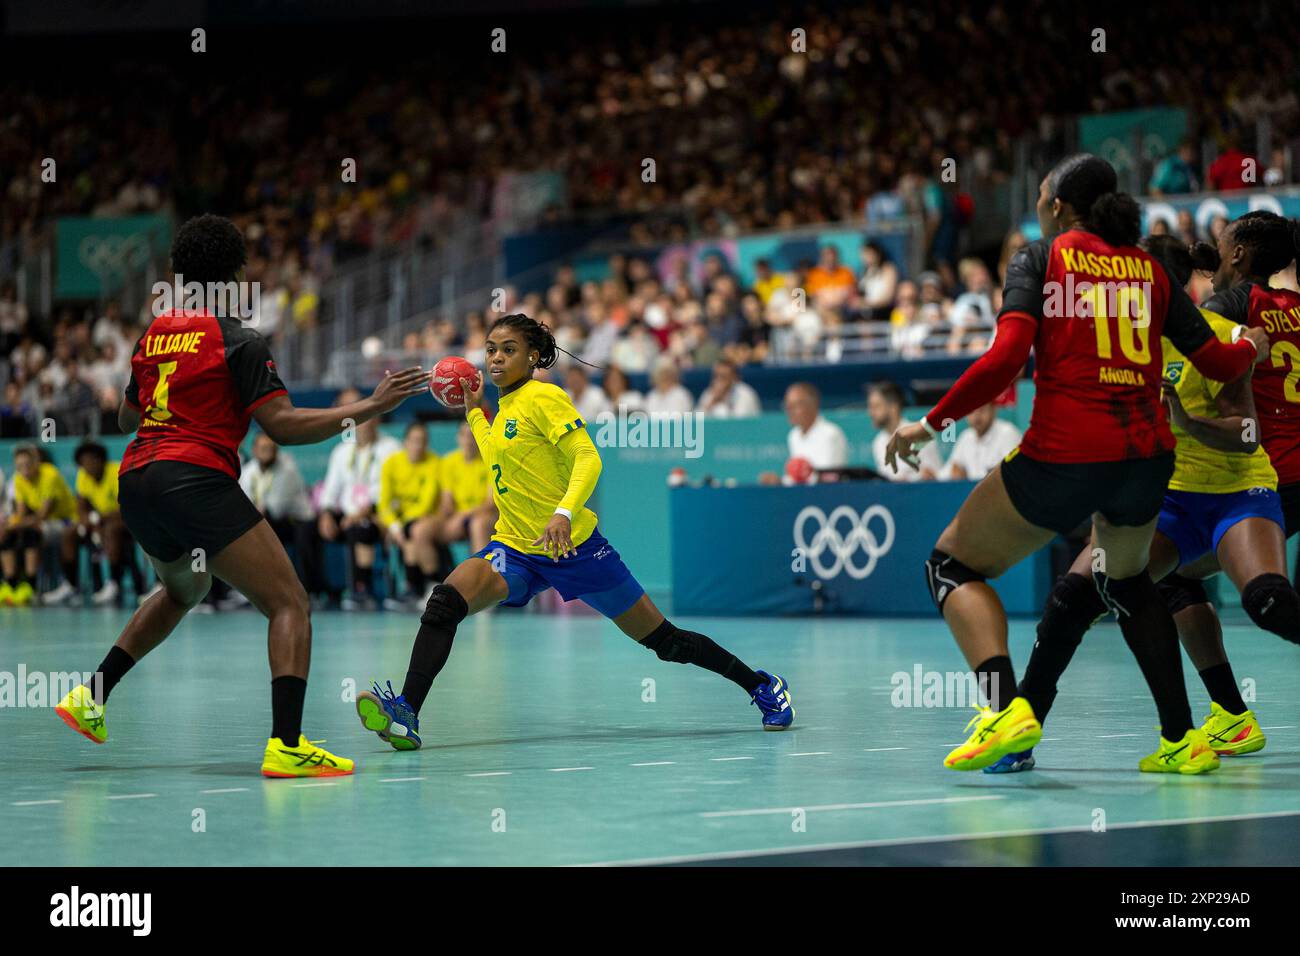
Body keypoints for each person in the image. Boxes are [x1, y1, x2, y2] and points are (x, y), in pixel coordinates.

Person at [886, 154, 1266, 775]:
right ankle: (1183, 739)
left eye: (1039, 192)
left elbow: (1008, 358)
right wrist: (1247, 346)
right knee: (1129, 581)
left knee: (951, 567)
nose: (1037, 202)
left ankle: (1005, 711)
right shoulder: (1150, 269)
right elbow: (1220, 365)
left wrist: (929, 425)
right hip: (1145, 462)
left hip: (1063, 454)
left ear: (1058, 205)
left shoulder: (1040, 258)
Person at [52, 213, 429, 778]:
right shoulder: (239, 340)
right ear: (235, 273)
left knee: (184, 589)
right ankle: (287, 745)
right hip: (194, 478)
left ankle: (90, 695)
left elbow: (129, 416)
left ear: (178, 274)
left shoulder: (153, 335)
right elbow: (283, 426)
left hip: (136, 482)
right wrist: (370, 408)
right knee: (288, 602)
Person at [353, 313, 794, 752]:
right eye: (491, 349)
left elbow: (589, 458)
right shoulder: (504, 407)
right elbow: (499, 461)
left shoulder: (545, 398)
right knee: (445, 602)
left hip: (575, 549)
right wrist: (475, 416)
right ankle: (406, 712)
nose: (497, 358)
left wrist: (564, 512)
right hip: (517, 549)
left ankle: (761, 684)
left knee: (667, 642)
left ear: (532, 356)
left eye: (509, 350)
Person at [994, 232, 1299, 773]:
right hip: (1171, 506)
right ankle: (1020, 735)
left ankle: (1205, 724)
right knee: (1072, 596)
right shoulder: (1115, 345)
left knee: (1269, 601)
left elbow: (1249, 432)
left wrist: (1189, 422)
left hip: (1238, 494)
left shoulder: (1220, 334)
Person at [317, 388, 401, 610]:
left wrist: (363, 512)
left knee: (361, 528)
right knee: (308, 529)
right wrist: (326, 513)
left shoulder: (391, 448)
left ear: (377, 421)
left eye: (369, 420)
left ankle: (362, 590)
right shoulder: (342, 451)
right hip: (346, 513)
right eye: (360, 421)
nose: (364, 425)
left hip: (375, 513)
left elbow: (390, 490)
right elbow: (331, 489)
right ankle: (317, 591)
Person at [44, 441, 143, 607]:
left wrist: (97, 520)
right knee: (69, 533)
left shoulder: (117, 471)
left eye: (91, 461)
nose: (87, 466)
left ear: (101, 460)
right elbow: (81, 507)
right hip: (102, 521)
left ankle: (113, 583)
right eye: (83, 463)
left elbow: (126, 507)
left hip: (128, 519)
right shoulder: (83, 476)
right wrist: (88, 521)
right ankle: (71, 585)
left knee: (111, 530)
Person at [238, 433, 324, 600]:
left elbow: (275, 508)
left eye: (271, 449)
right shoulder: (248, 472)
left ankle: (308, 591)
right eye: (263, 449)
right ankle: (251, 590)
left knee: (302, 535)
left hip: (296, 521)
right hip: (267, 520)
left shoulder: (287, 469)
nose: (267, 452)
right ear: (254, 450)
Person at [378, 421, 445, 610]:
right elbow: (384, 502)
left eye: (423, 441)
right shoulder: (391, 463)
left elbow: (426, 503)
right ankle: (417, 587)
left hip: (426, 517)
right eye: (414, 441)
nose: (419, 446)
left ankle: (419, 586)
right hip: (399, 520)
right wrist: (394, 526)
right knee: (406, 533)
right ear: (405, 442)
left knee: (412, 531)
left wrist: (402, 525)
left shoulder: (434, 463)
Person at [1, 444, 76, 606]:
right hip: (40, 522)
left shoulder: (50, 474)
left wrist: (15, 525)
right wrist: (9, 527)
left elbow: (43, 515)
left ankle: (31, 586)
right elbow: (20, 514)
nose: (24, 469)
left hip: (65, 521)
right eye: (19, 466)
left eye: (28, 464)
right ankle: (11, 584)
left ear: (37, 462)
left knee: (32, 532)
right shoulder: (18, 479)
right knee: (9, 535)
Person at [437, 421, 495, 555]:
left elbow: (491, 503)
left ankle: (480, 572)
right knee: (425, 530)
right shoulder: (448, 462)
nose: (469, 440)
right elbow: (447, 501)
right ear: (458, 437)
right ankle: (437, 572)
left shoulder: (489, 459)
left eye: (473, 435)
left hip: (486, 515)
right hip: (459, 516)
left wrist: (464, 515)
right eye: (465, 435)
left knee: (477, 524)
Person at [868, 380, 940, 480]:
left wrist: (908, 480)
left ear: (893, 407)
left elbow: (932, 475)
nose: (871, 413)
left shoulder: (919, 433)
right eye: (870, 407)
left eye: (876, 406)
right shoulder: (878, 442)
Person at [940, 403, 1022, 481]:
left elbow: (1014, 474)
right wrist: (953, 472)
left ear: (993, 410)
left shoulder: (1008, 433)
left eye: (982, 410)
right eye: (971, 411)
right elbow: (948, 472)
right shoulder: (966, 437)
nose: (976, 416)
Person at [784, 383, 848, 469]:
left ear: (813, 405)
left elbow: (829, 474)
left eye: (796, 405)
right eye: (788, 405)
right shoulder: (793, 435)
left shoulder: (831, 434)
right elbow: (797, 477)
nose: (790, 411)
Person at [696, 359, 761, 418]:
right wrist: (712, 402)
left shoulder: (745, 393)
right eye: (716, 376)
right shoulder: (709, 393)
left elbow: (739, 422)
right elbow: (696, 422)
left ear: (734, 378)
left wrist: (725, 400)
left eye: (723, 377)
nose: (718, 381)